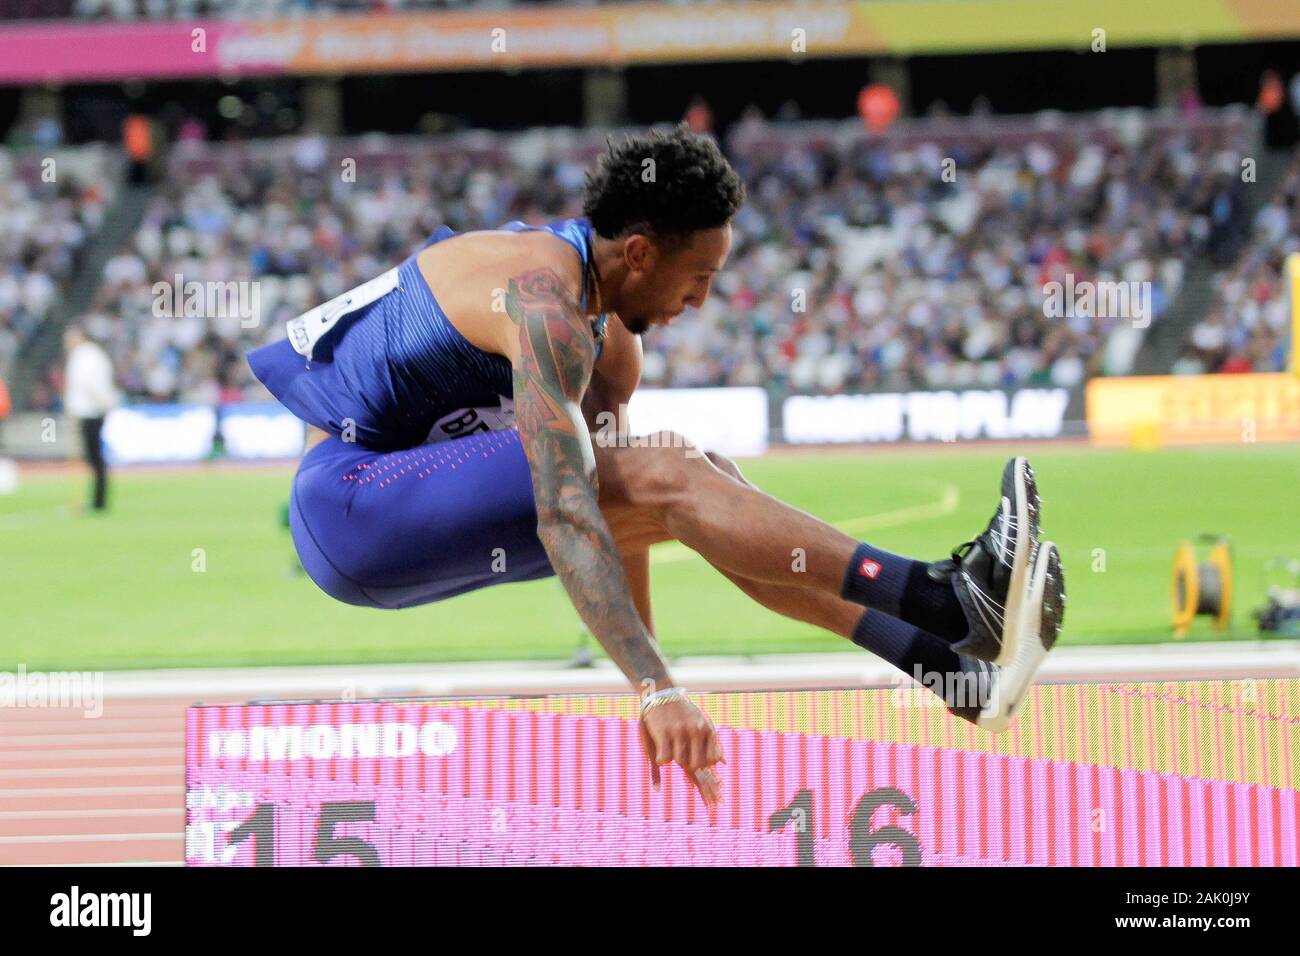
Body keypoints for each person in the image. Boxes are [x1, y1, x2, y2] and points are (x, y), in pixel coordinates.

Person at [247, 127, 1065, 805]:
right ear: (639, 252)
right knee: (674, 471)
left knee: (706, 479)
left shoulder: (612, 349)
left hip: (408, 510)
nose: (702, 300)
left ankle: (946, 669)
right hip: (351, 506)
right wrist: (651, 688)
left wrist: (658, 674)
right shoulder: (542, 305)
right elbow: (569, 513)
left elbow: (624, 518)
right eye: (699, 277)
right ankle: (944, 597)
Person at [63, 324, 117, 512]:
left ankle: (97, 502)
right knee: (94, 457)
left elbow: (87, 384)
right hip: (95, 411)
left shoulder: (83, 356)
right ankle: (98, 501)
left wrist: (103, 403)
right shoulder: (96, 354)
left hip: (87, 412)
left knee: (91, 457)